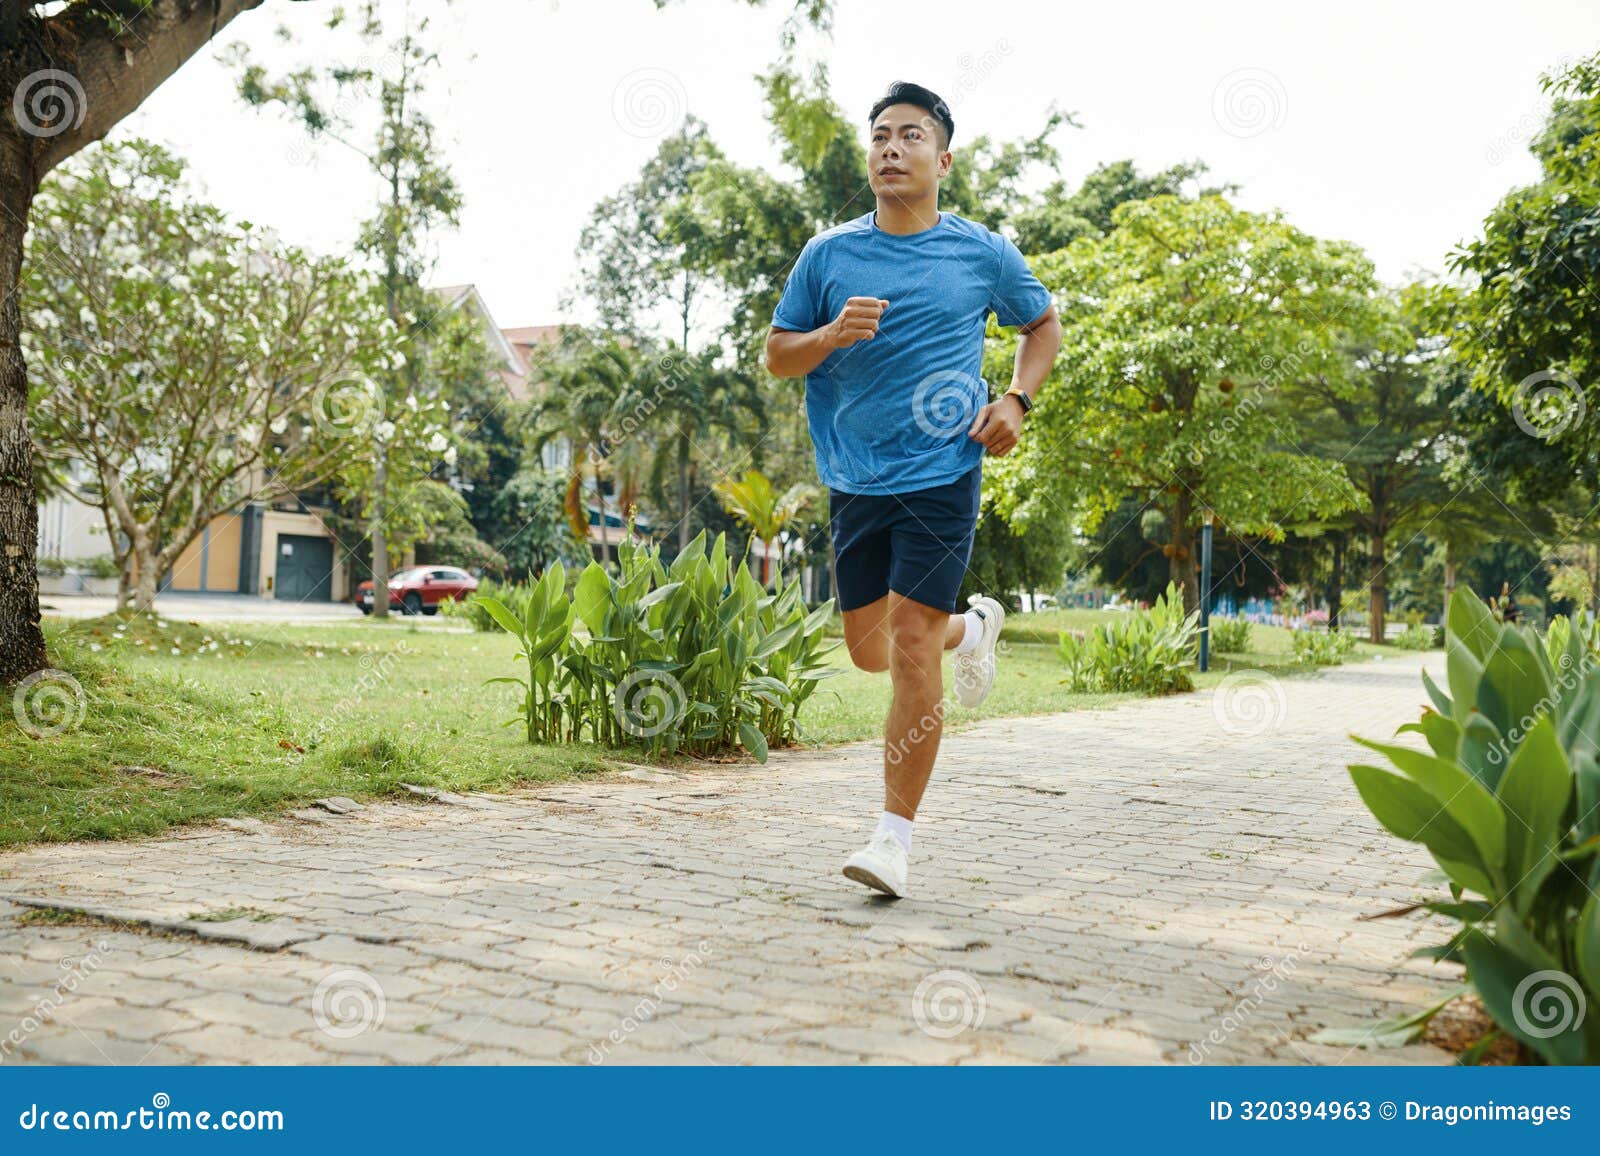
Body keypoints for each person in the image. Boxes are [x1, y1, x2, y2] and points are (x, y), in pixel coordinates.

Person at [765, 81, 1063, 898]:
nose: (891, 149)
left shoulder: (981, 253)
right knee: (868, 650)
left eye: (910, 136)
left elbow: (1042, 325)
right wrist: (828, 335)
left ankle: (892, 839)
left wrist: (1016, 400)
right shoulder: (827, 257)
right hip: (856, 477)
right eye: (880, 137)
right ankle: (973, 629)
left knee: (906, 650)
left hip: (943, 474)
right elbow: (778, 353)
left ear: (944, 158)